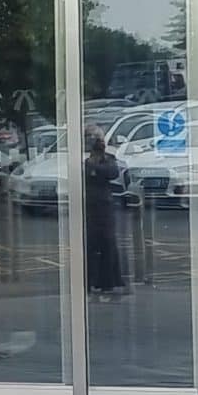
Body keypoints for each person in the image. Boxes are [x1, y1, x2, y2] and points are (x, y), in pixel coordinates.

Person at [84, 126, 124, 296]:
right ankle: (90, 280)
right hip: (89, 205)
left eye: (97, 138)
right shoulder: (85, 159)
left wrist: (95, 170)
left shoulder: (108, 158)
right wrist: (93, 170)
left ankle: (108, 281)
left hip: (104, 205)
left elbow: (112, 172)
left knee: (107, 243)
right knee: (90, 243)